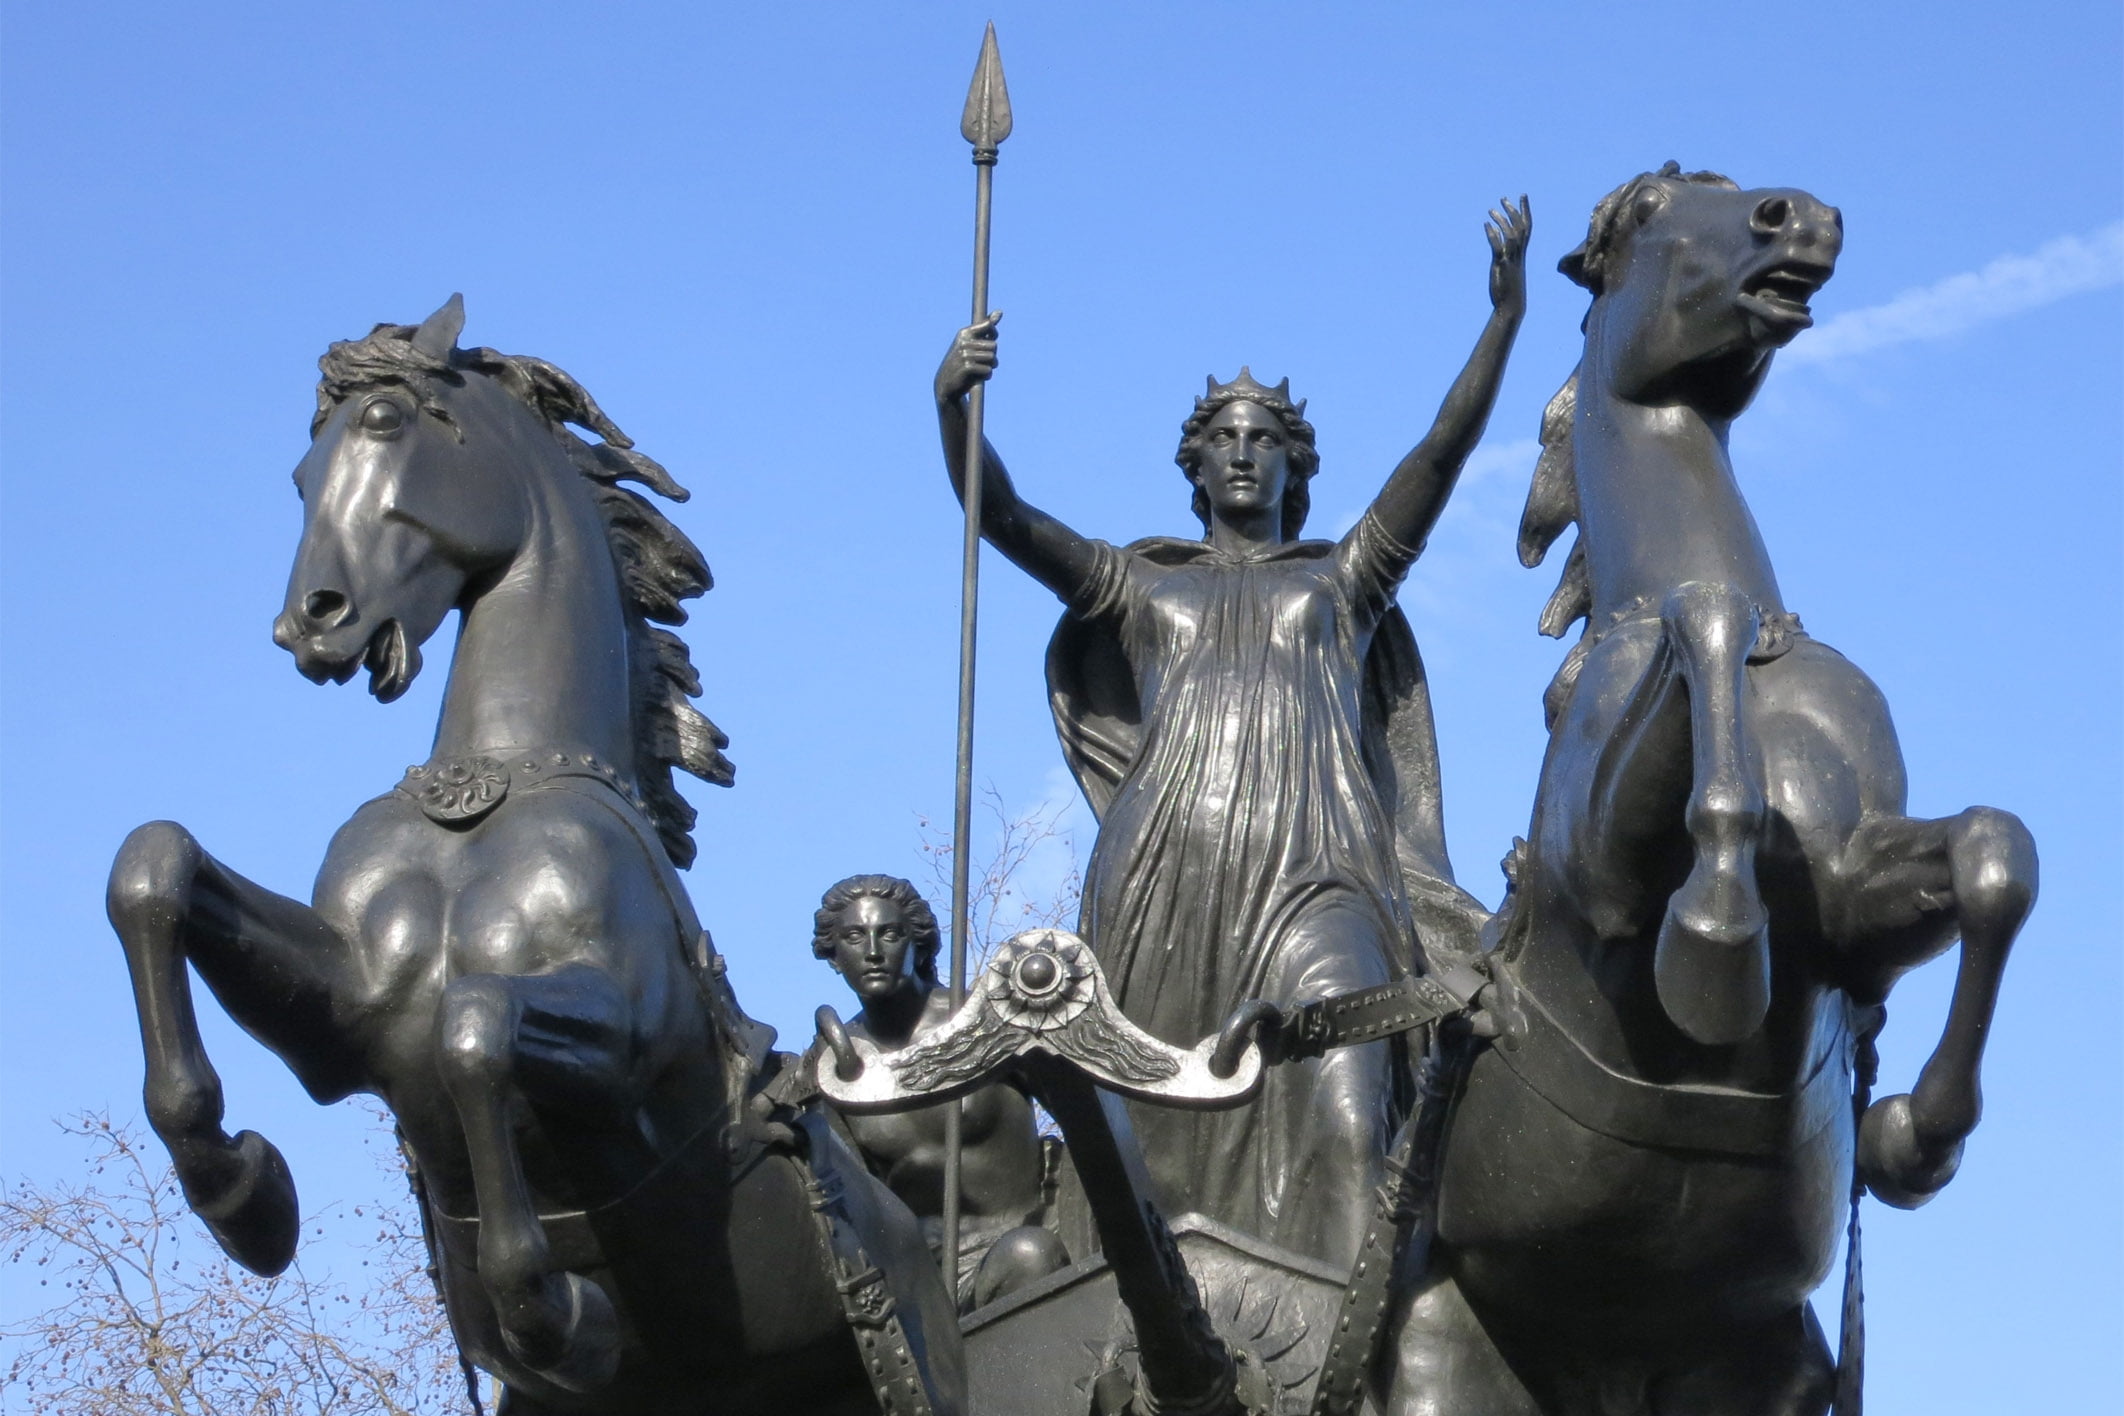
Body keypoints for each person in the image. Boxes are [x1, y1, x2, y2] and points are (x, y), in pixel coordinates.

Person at [932, 201, 1529, 1268]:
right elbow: (1003, 517)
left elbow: (1440, 454)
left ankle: (1352, 1366)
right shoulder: (1139, 584)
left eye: (1264, 441)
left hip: (1321, 874)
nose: (1243, 455)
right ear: (1194, 466)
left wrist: (1505, 315)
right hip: (1166, 881)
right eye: (1223, 441)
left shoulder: (1344, 584)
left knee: (1349, 1116)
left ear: (1296, 465)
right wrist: (954, 411)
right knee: (1151, 1151)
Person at [809, 873, 1067, 1307]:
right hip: (922, 1287)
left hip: (1026, 1244)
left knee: (1029, 1255)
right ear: (834, 956)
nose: (873, 952)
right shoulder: (834, 1070)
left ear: (920, 944)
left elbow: (1085, 1113)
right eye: (854, 937)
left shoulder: (987, 1020)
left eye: (889, 934)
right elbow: (847, 1205)